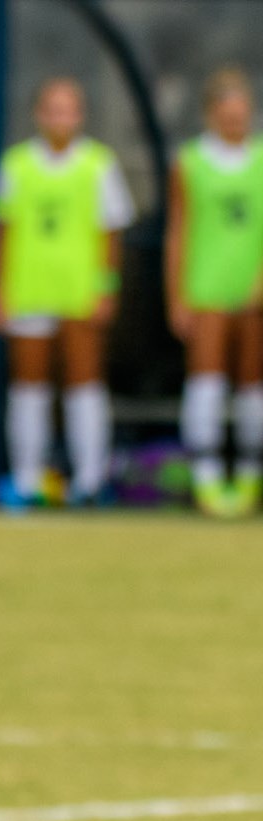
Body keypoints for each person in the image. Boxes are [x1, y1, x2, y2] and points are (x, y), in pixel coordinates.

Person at [0, 77, 133, 508]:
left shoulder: (99, 164)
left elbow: (110, 235)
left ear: (80, 115)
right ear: (38, 114)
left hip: (78, 292)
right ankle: (27, 480)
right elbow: (4, 232)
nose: (60, 117)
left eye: (68, 109)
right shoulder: (16, 164)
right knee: (29, 387)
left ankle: (89, 480)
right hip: (28, 290)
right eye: (52, 108)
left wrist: (106, 289)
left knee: (83, 384)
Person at [166, 67, 263, 517]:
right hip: (205, 286)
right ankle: (206, 481)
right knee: (205, 382)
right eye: (226, 116)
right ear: (210, 115)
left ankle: (248, 478)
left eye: (241, 117)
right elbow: (179, 231)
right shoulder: (189, 162)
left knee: (251, 385)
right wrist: (177, 294)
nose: (234, 124)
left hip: (254, 288)